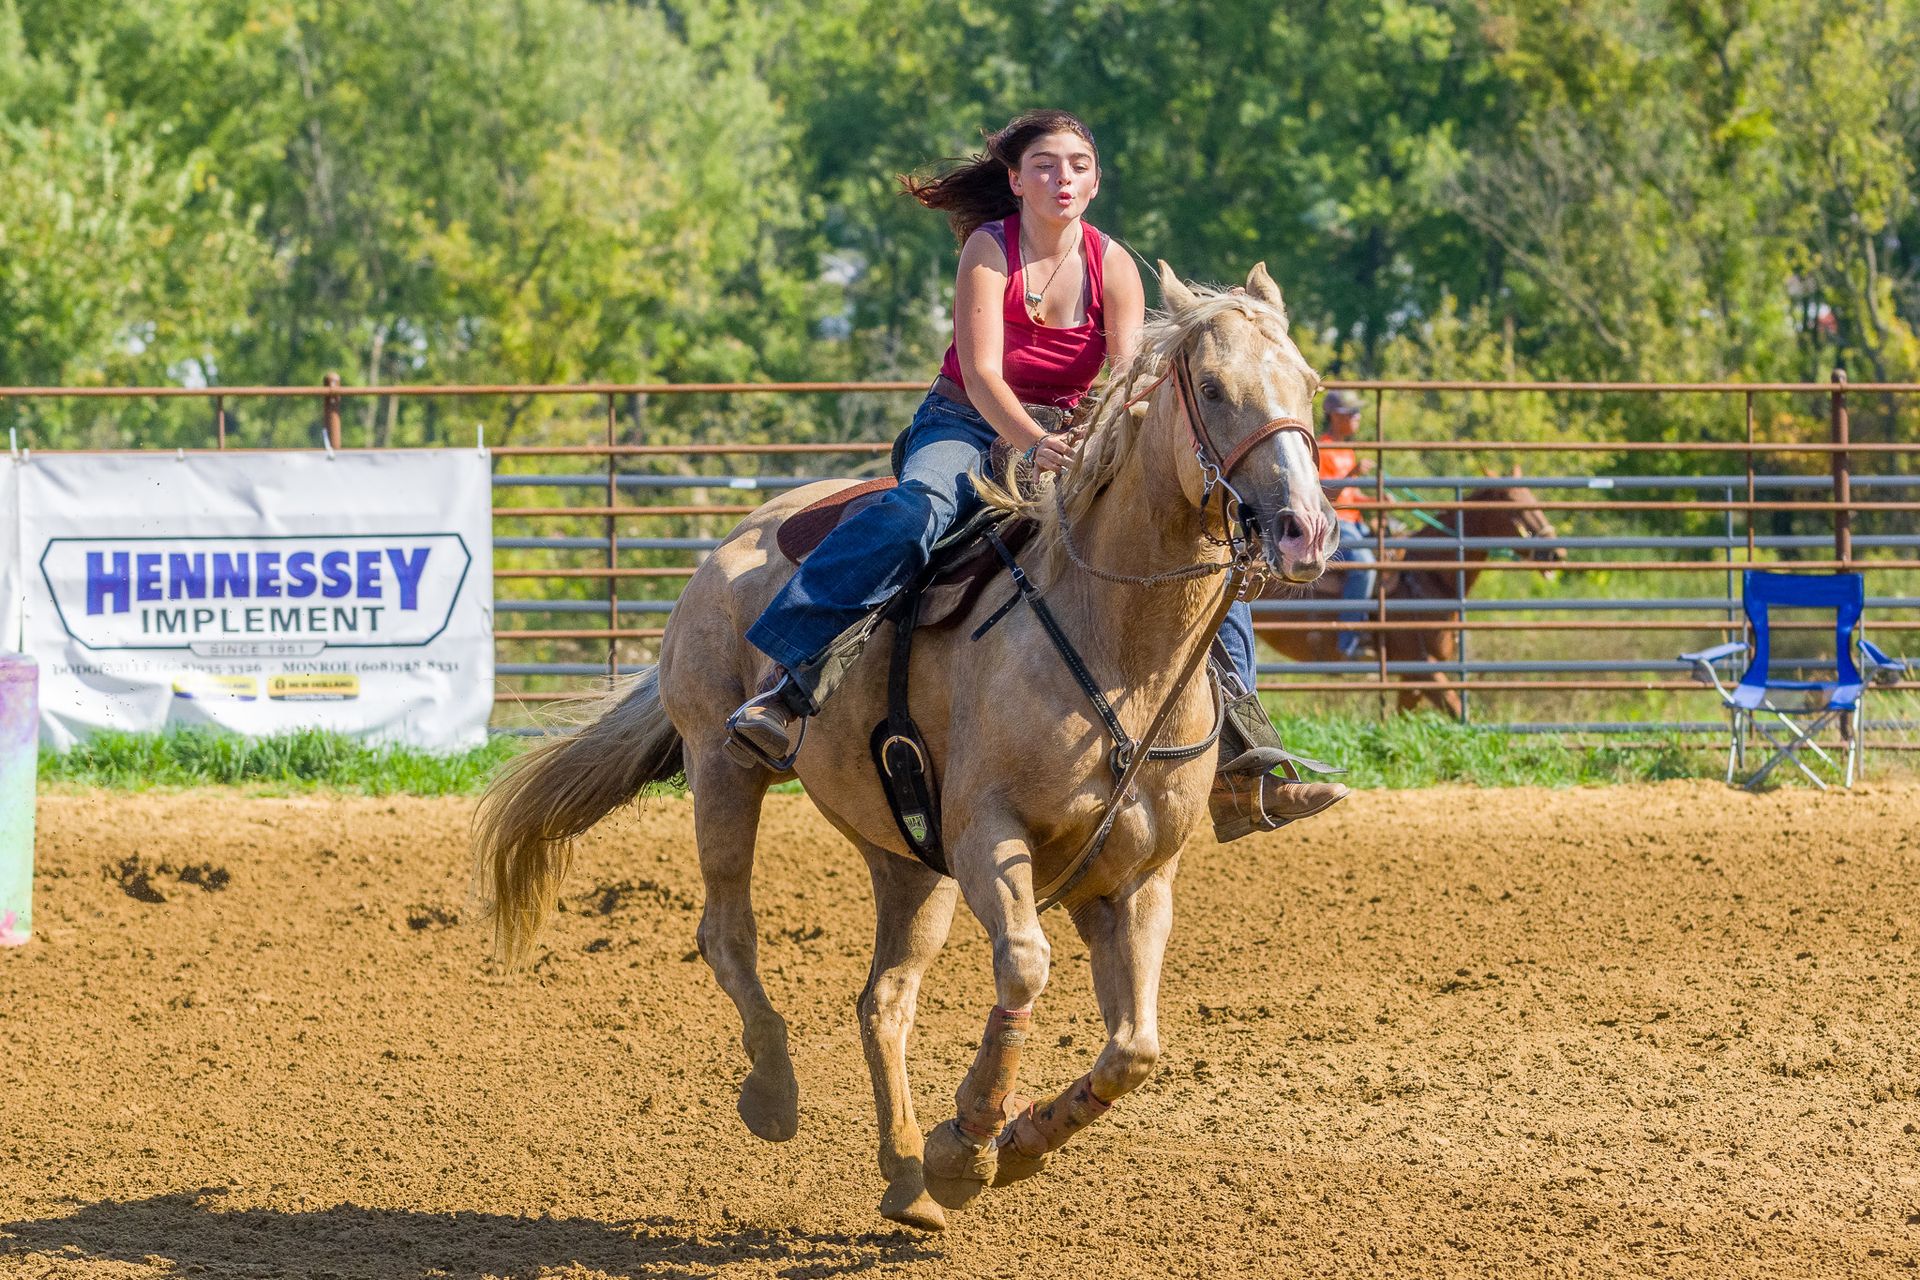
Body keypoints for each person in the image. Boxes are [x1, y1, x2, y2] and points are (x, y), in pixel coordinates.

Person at [726, 109, 1346, 840]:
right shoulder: (990, 251)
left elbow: (1121, 380)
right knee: (917, 512)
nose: (1064, 178)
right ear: (1016, 180)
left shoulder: (1113, 264)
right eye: (1047, 166)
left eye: (1079, 166)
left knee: (1197, 547)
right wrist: (1028, 444)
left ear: (1095, 182)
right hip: (966, 423)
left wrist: (1098, 437)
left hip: (1075, 433)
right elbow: (983, 372)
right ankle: (788, 683)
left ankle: (1243, 759)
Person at [1319, 389, 1378, 658]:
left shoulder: (1346, 449)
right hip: (1336, 523)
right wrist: (1352, 474)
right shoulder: (1322, 448)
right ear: (1335, 416)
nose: (1358, 417)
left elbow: (1351, 496)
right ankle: (1348, 642)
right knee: (1364, 564)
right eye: (1352, 413)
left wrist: (1376, 500)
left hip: (1354, 521)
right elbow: (1325, 496)